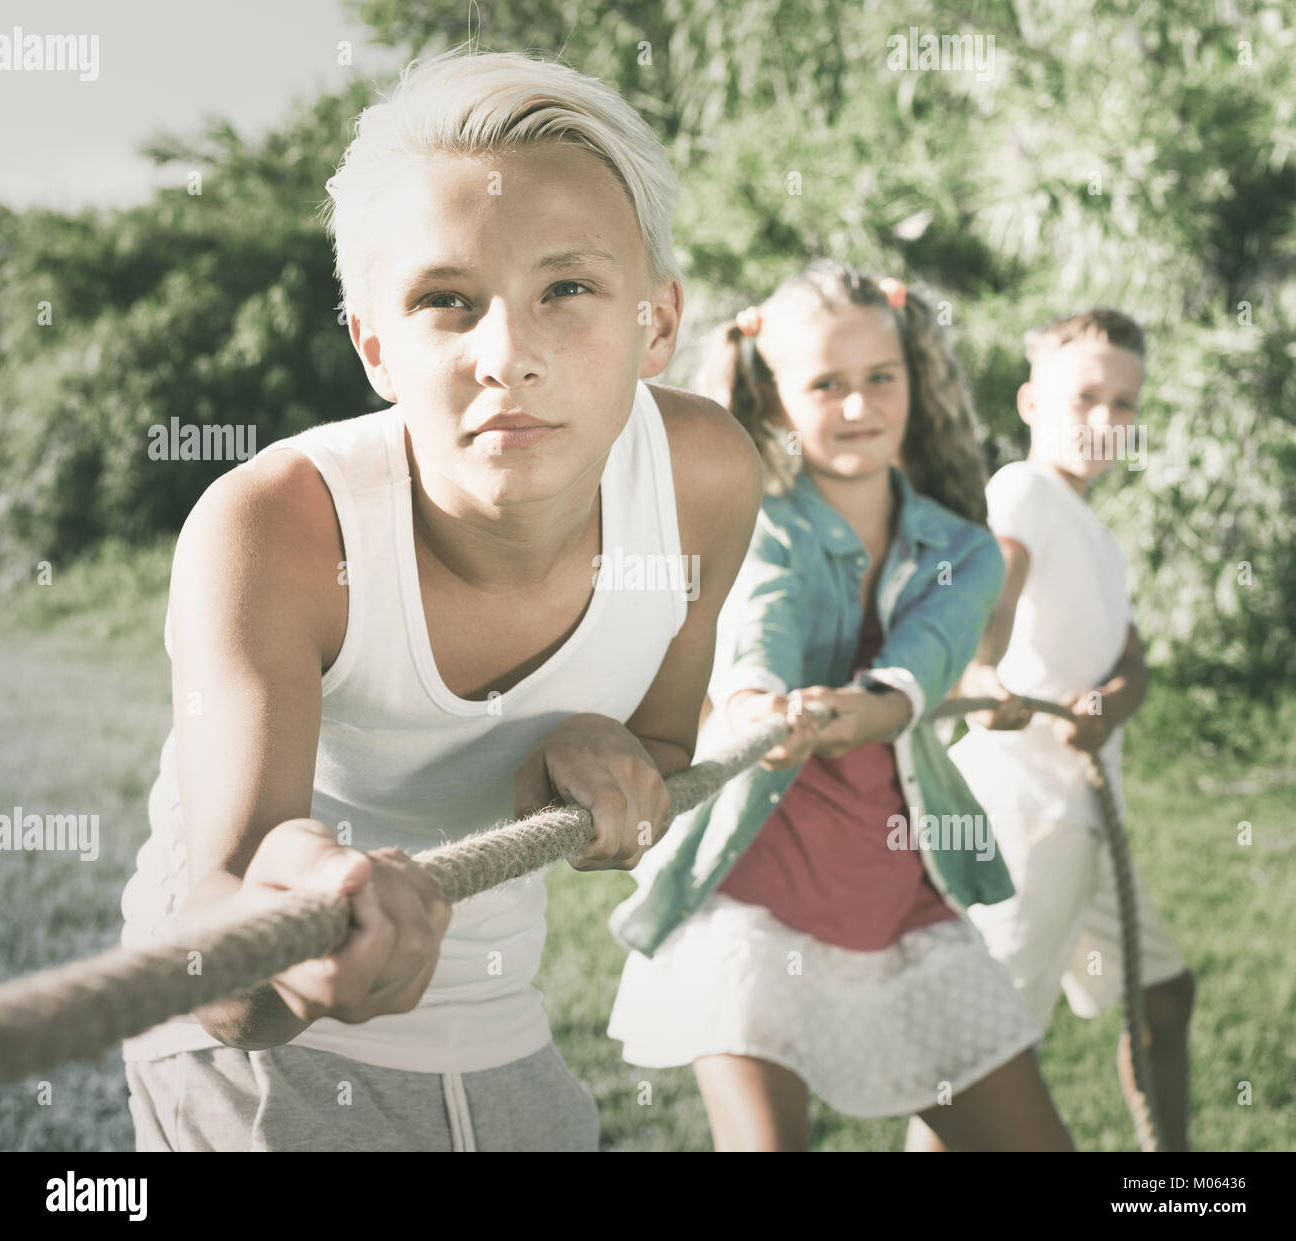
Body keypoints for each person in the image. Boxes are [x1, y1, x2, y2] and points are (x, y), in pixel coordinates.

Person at [118, 47, 764, 1152]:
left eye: (568, 288)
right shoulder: (276, 526)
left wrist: (602, 743)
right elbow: (212, 946)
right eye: (445, 301)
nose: (506, 356)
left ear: (658, 323)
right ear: (375, 345)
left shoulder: (703, 474)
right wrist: (303, 932)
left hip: (498, 1017)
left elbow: (662, 738)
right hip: (247, 1059)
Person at [607, 262, 1073, 1151]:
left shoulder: (965, 548)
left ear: (911, 375)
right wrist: (754, 700)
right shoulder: (758, 516)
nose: (858, 405)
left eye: (878, 378)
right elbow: (762, 609)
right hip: (751, 889)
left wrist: (879, 704)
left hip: (900, 888)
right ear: (776, 396)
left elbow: (929, 651)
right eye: (827, 384)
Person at [924, 308, 1195, 1152]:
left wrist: (1112, 700)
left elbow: (1133, 660)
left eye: (1126, 404)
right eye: (1087, 397)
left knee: (1164, 994)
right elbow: (994, 594)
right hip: (1028, 814)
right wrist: (981, 671)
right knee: (985, 1049)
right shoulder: (1024, 490)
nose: (1108, 421)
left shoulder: (1102, 538)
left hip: (1086, 814)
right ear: (1034, 401)